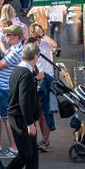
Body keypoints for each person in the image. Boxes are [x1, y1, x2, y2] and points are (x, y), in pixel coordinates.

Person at [4, 43, 46, 169]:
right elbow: (23, 100)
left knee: (33, 152)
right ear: (35, 56)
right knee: (25, 153)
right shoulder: (26, 74)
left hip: (19, 117)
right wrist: (29, 123)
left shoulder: (19, 70)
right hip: (20, 118)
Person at [29, 22, 57, 151]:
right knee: (40, 112)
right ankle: (45, 139)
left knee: (47, 111)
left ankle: (45, 140)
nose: (37, 37)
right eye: (34, 34)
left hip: (48, 79)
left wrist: (43, 35)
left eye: (38, 34)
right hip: (36, 80)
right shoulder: (29, 45)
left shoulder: (46, 43)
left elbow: (54, 45)